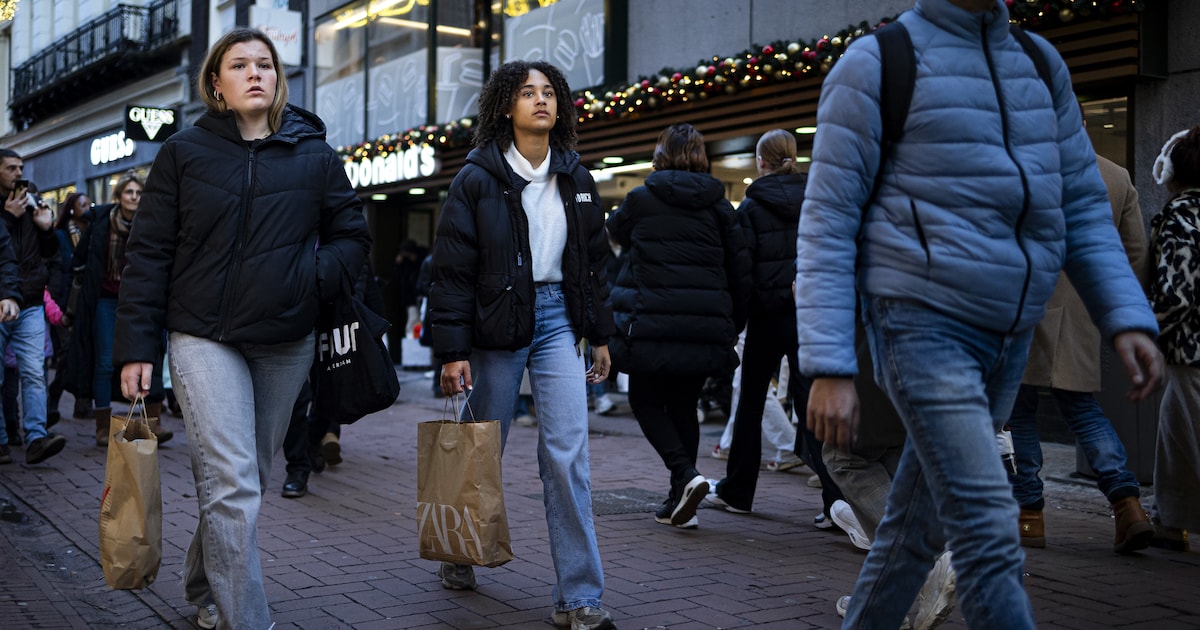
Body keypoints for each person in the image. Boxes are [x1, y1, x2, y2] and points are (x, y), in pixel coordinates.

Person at [795, 1, 1164, 628]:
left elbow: (1078, 200)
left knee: (917, 525)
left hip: (1011, 332)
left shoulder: (1039, 62)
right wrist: (829, 365)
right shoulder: (877, 63)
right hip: (919, 326)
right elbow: (828, 222)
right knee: (988, 529)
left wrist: (1125, 312)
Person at [113, 28, 370, 630]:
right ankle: (247, 618)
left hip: (286, 339)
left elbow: (352, 235)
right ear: (216, 84)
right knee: (231, 480)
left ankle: (205, 582)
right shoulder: (184, 152)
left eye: (265, 64)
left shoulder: (314, 154)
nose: (256, 73)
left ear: (279, 79)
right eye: (240, 65)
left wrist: (311, 275)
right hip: (203, 335)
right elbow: (148, 254)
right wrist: (137, 348)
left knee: (248, 474)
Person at [427, 59, 616, 630]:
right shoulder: (477, 177)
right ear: (505, 106)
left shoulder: (577, 178)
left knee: (567, 456)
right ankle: (460, 552)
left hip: (558, 319)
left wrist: (601, 334)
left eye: (549, 92)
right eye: (527, 92)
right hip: (496, 323)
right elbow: (452, 271)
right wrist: (453, 350)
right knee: (485, 447)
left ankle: (578, 596)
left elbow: (595, 265)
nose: (541, 100)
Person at [1006, 141, 1153, 553]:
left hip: (1025, 304)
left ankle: (1029, 515)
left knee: (1019, 412)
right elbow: (1134, 254)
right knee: (1083, 409)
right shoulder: (1115, 176)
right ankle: (1127, 503)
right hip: (1084, 311)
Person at [606, 122, 751, 529]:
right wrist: (729, 324)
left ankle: (685, 475)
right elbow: (739, 270)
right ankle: (679, 500)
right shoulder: (719, 205)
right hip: (704, 326)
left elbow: (612, 232)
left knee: (645, 401)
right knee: (684, 405)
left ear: (660, 153)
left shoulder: (641, 200)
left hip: (651, 322)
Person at [709, 129, 813, 512]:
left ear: (760, 163)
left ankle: (739, 491)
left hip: (766, 317)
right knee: (810, 401)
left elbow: (741, 269)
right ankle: (838, 499)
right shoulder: (816, 201)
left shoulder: (751, 209)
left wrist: (738, 315)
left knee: (751, 401)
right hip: (808, 315)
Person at [65, 171, 173, 447]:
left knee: (152, 355)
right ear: (119, 195)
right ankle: (103, 426)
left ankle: (154, 422)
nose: (134, 197)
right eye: (129, 192)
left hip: (142, 300)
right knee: (104, 361)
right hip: (106, 299)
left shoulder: (150, 222)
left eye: (138, 193)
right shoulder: (103, 221)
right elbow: (80, 259)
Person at [1147, 125, 1200, 553]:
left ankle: (1170, 519)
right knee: (1174, 434)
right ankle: (1168, 519)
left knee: (1185, 435)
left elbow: (1175, 294)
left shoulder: (1181, 217)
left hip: (1191, 351)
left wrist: (1143, 331)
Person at [0, 151, 64, 466]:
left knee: (34, 372)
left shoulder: (32, 202)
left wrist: (46, 228)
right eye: (11, 168)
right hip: (1, 299)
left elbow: (52, 253)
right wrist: (8, 218)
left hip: (31, 301)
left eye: (21, 168)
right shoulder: (7, 211)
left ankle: (36, 438)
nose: (18, 173)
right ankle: (1, 441)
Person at [48, 191, 91, 421]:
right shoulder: (61, 236)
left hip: (87, 303)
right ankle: (53, 396)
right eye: (82, 204)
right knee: (67, 352)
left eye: (89, 203)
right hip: (64, 304)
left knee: (85, 351)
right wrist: (57, 303)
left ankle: (83, 404)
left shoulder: (93, 233)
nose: (87, 207)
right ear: (71, 209)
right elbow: (57, 270)